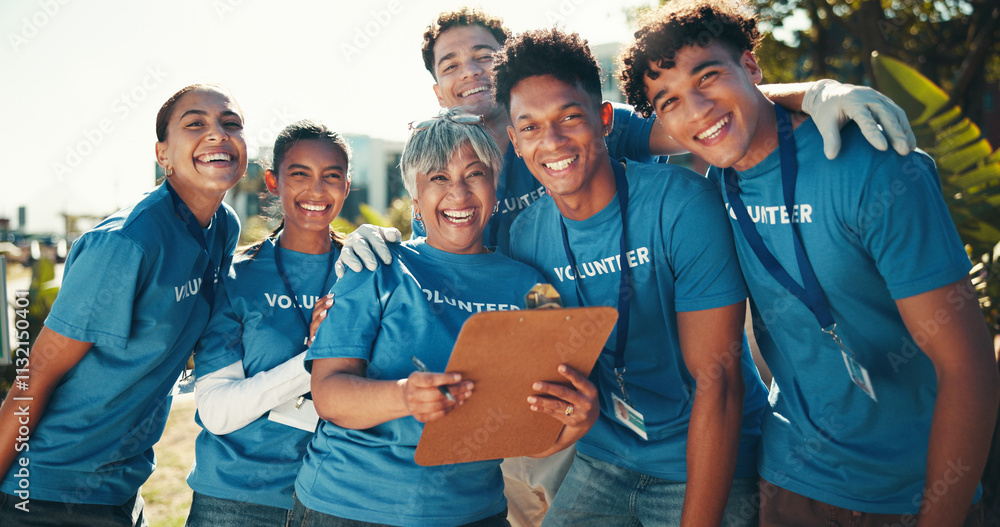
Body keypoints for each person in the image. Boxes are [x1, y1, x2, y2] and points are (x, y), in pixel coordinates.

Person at [617, 1, 999, 525]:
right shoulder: (716, 185)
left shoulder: (873, 166)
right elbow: (599, 129)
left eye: (709, 76)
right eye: (670, 102)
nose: (698, 109)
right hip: (790, 485)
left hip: (914, 493)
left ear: (752, 68)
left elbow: (970, 367)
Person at [494, 28, 767, 526]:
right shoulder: (524, 239)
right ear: (514, 141)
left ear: (603, 119)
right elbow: (551, 355)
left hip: (704, 456)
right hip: (606, 459)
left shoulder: (682, 205)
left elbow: (720, 381)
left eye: (569, 118)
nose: (551, 142)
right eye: (529, 128)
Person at [288, 108, 598, 527]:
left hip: (474, 514)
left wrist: (577, 422)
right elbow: (328, 396)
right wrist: (404, 397)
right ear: (415, 197)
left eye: (474, 174)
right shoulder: (376, 266)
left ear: (493, 184)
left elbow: (530, 434)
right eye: (438, 178)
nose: (459, 193)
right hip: (348, 507)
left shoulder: (536, 289)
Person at [0, 83, 245, 526]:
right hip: (47, 491)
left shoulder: (223, 227)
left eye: (231, 125)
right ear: (163, 155)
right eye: (195, 124)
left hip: (121, 487)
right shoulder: (124, 243)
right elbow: (37, 372)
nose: (217, 134)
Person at [184, 120, 351, 526]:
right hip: (237, 501)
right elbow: (218, 412)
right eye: (300, 175)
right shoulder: (236, 276)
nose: (316, 190)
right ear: (273, 182)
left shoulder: (365, 272)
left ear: (347, 186)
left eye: (332, 176)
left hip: (338, 499)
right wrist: (315, 359)